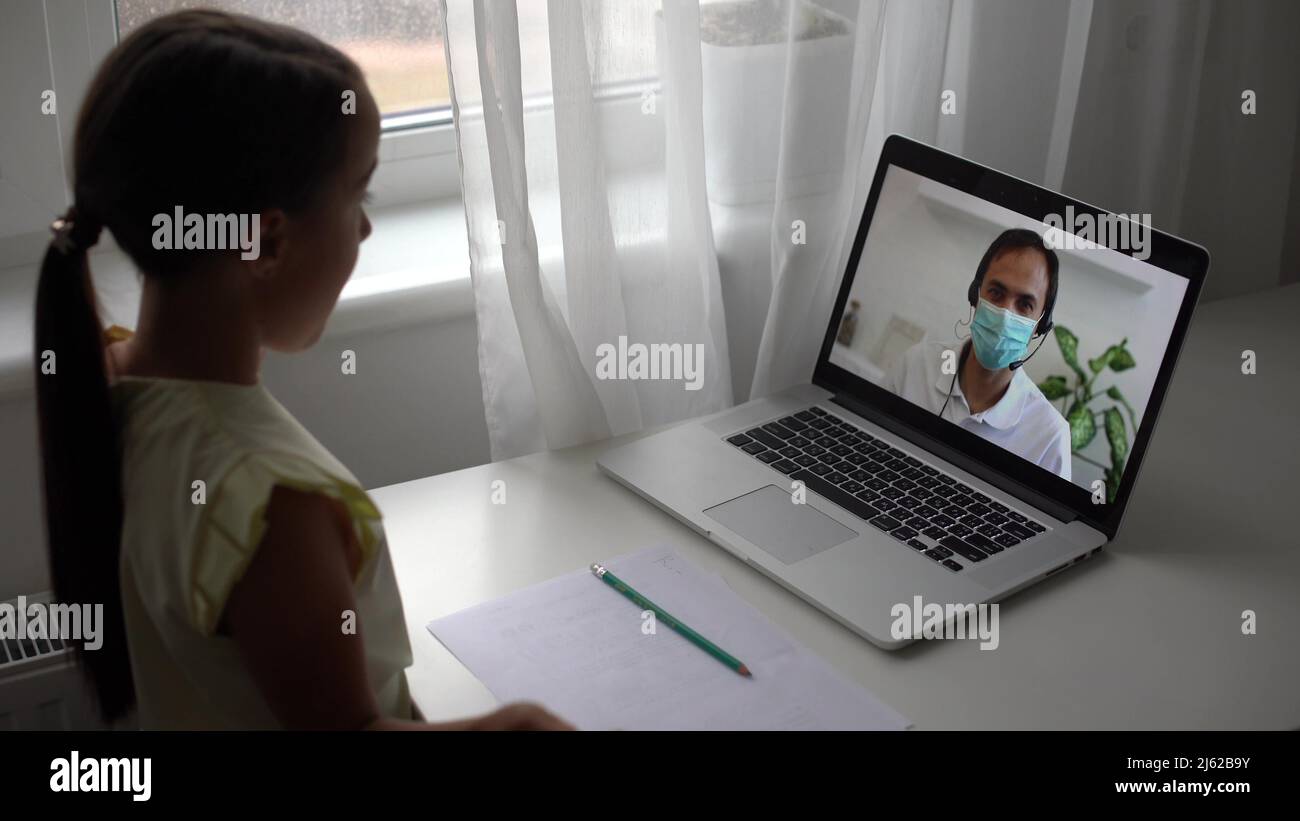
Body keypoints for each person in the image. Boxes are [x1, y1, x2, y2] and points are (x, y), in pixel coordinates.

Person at [34, 10, 572, 731]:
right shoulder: (273, 506)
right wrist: (517, 722)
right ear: (267, 241)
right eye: (360, 194)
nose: (367, 228)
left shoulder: (114, 381)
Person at [884, 229, 1071, 479]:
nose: (1005, 314)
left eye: (1025, 304)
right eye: (996, 292)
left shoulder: (1049, 436)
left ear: (1041, 323)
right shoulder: (916, 364)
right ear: (976, 294)